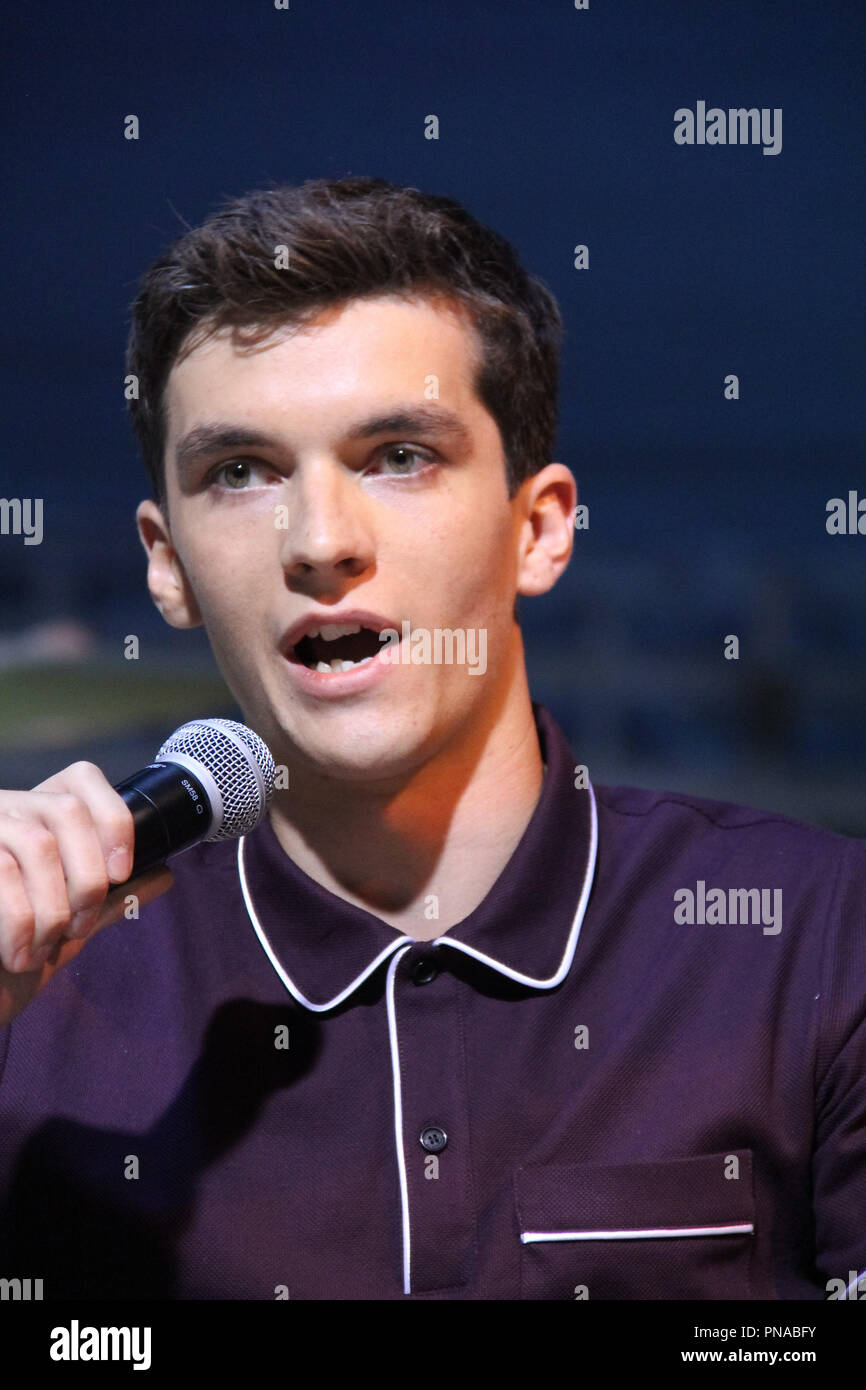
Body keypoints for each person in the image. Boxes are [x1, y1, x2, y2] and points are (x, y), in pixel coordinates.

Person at [0, 177, 863, 1301]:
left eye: (398, 454)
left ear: (539, 529)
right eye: (240, 473)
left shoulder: (817, 939)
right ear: (167, 565)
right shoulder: (44, 986)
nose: (319, 539)